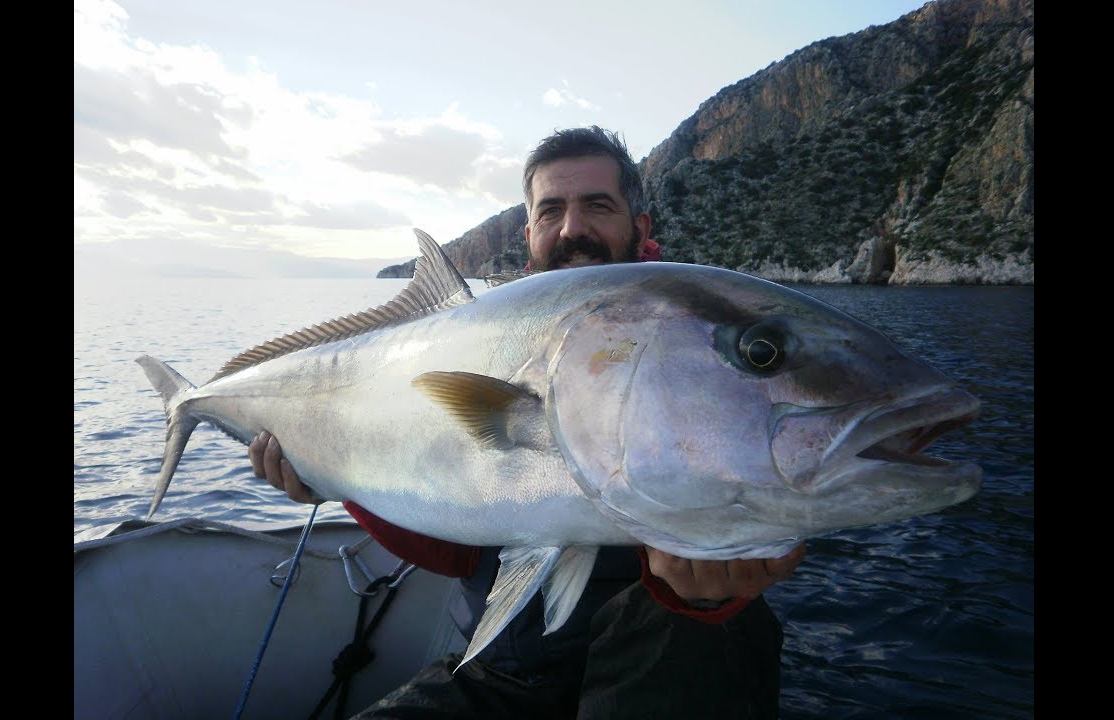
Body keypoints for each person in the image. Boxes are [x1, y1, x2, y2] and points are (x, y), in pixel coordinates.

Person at [249, 126, 807, 719]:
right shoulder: (482, 338)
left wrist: (705, 603)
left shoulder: (699, 333)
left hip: (665, 666)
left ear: (639, 227)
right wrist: (334, 482)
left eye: (597, 205)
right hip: (501, 676)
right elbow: (457, 550)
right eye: (552, 211)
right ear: (529, 235)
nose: (572, 228)